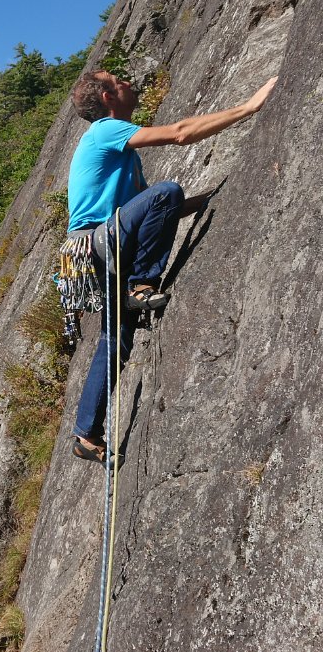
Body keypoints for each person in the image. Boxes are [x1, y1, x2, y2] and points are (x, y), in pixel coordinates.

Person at [61, 69, 276, 462]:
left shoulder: (123, 158)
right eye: (119, 81)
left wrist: (213, 198)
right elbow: (180, 133)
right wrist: (249, 106)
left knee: (116, 339)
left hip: (98, 248)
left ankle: (86, 432)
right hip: (101, 242)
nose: (129, 83)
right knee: (168, 190)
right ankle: (139, 284)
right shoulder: (106, 130)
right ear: (108, 98)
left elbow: (159, 213)